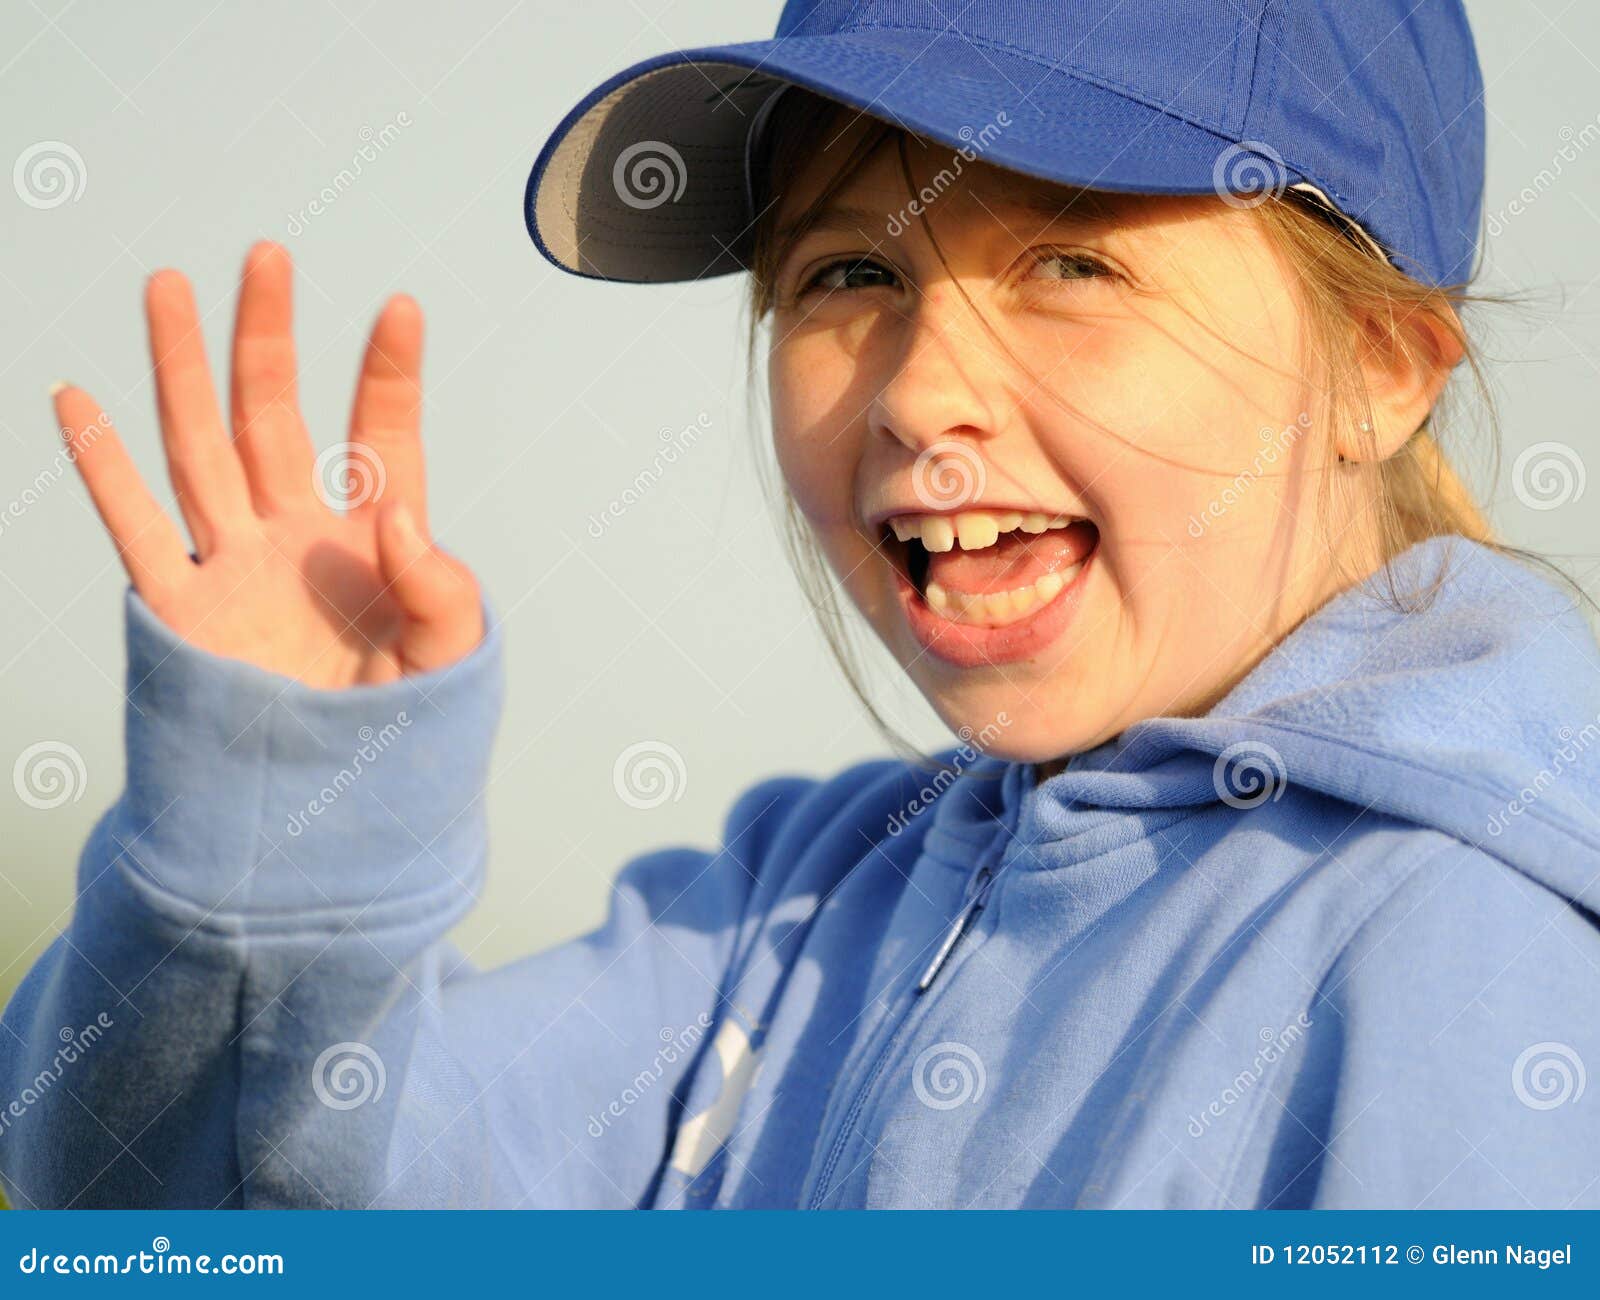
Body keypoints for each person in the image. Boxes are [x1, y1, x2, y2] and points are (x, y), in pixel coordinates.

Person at [4, 0, 1599, 1210]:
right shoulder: (799, 912)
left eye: (1074, 265)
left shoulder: (1466, 946)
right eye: (849, 274)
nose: (922, 391)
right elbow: (207, 1224)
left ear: (1382, 372)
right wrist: (263, 850)